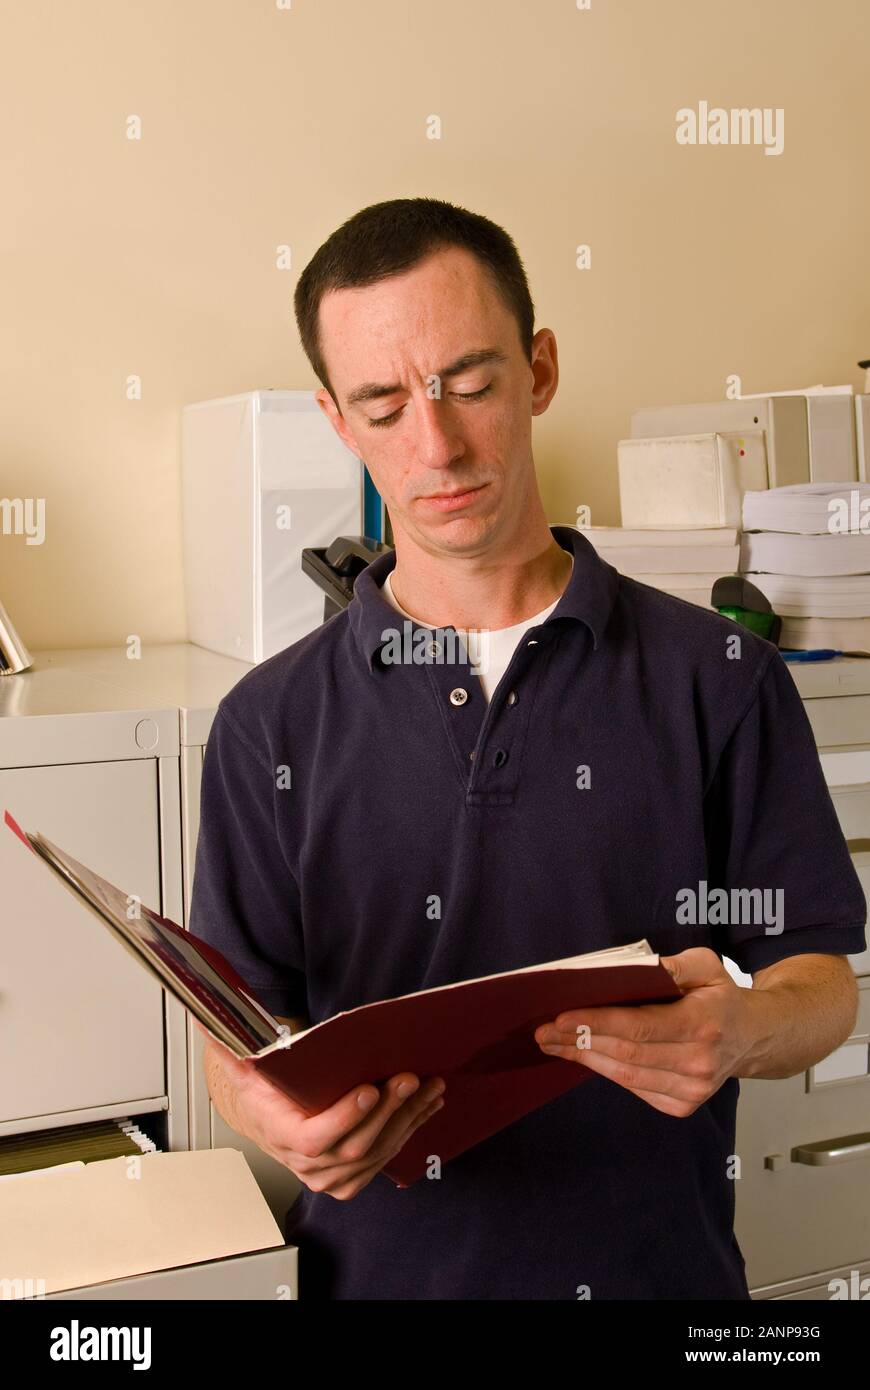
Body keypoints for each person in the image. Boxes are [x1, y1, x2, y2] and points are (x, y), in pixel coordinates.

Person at [188, 197, 867, 1300]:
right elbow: (240, 1034)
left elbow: (824, 979)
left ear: (540, 368)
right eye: (385, 403)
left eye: (470, 382)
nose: (438, 443)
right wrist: (260, 1106)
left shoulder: (718, 677)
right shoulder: (269, 724)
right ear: (337, 420)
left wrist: (742, 1027)